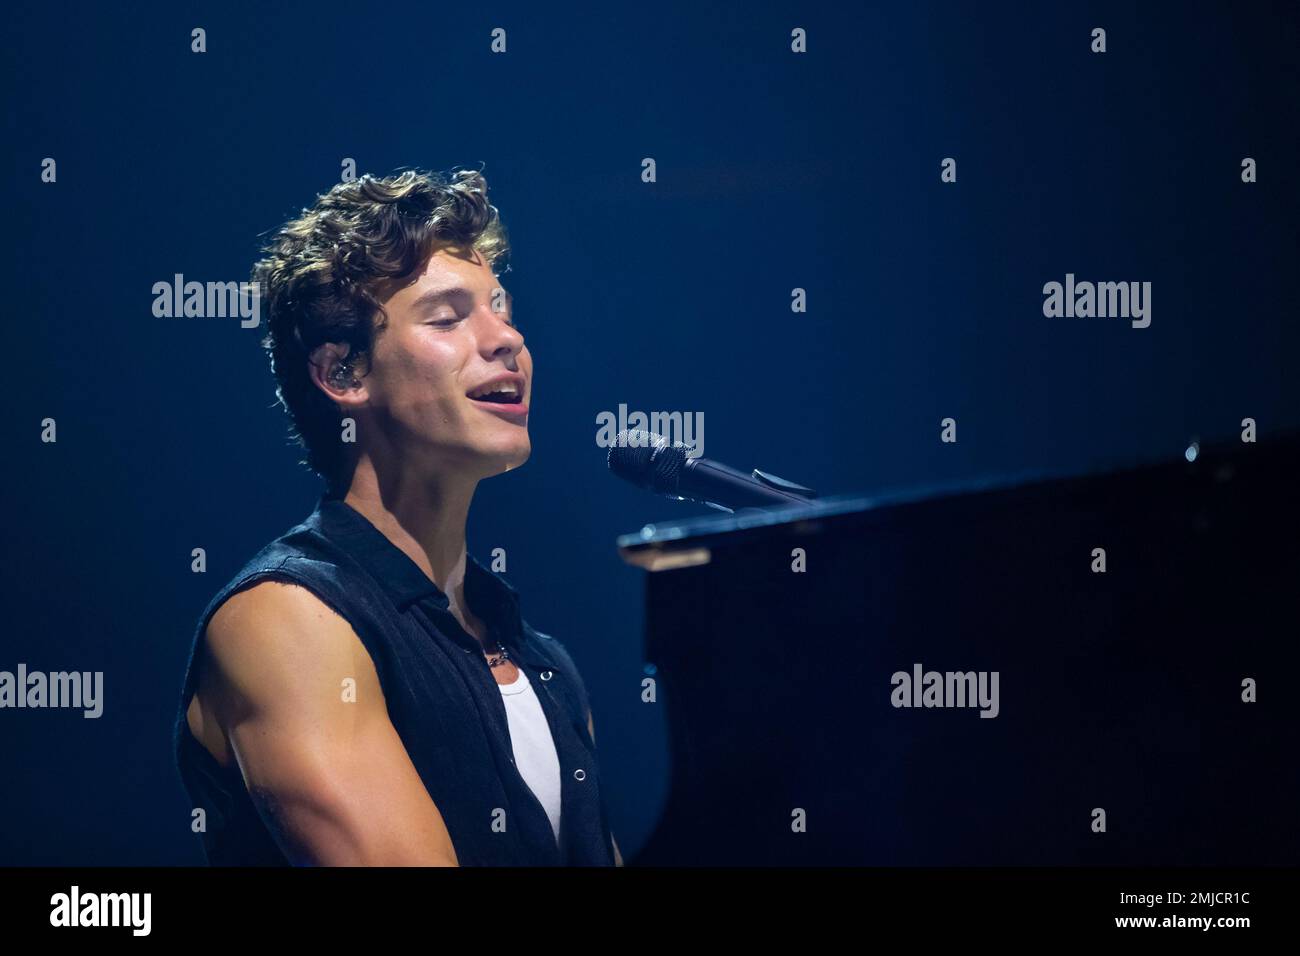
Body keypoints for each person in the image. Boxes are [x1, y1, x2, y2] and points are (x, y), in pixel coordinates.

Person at [172, 169, 621, 866]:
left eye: (502, 308)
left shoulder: (543, 662)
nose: (506, 339)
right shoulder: (286, 621)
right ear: (344, 375)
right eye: (448, 317)